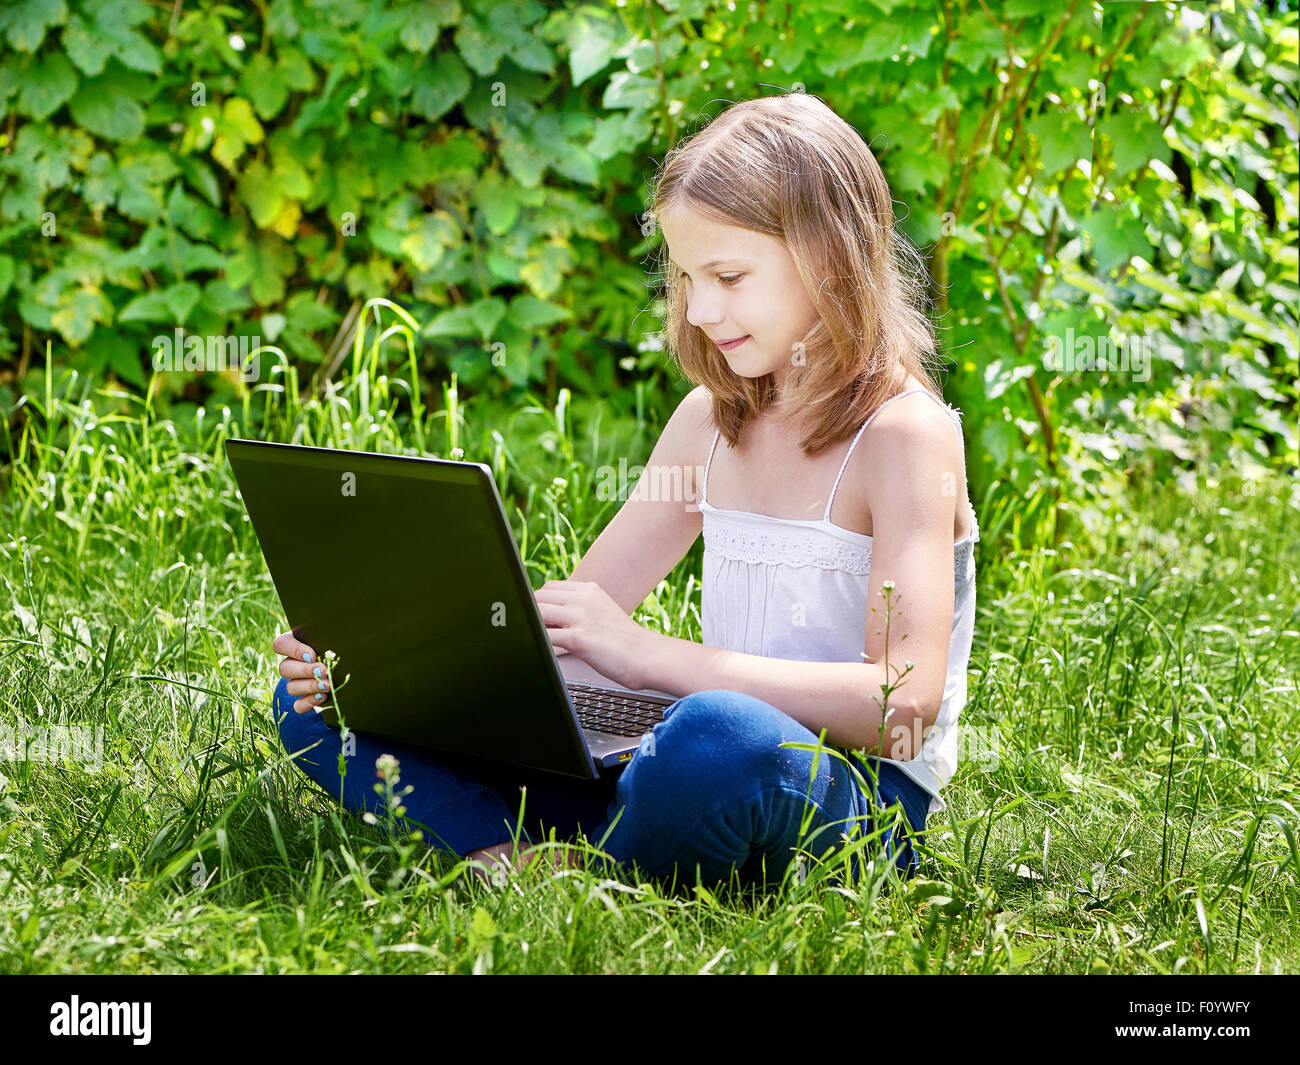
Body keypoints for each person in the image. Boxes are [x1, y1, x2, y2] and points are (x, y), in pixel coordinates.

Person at [270, 93, 979, 889]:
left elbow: (903, 705)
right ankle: (517, 861)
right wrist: (388, 657)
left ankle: (596, 860)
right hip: (674, 756)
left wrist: (652, 656)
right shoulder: (711, 421)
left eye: (730, 275)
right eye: (686, 276)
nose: (702, 309)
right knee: (315, 708)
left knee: (716, 734)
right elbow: (574, 624)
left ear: (830, 254)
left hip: (844, 803)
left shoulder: (907, 437)